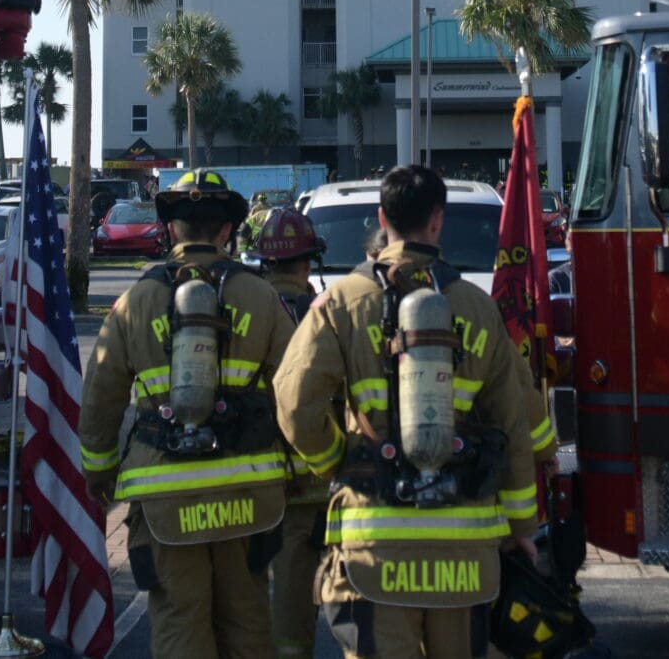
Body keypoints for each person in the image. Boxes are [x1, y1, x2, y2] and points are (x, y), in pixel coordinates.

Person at [272, 165, 538, 659]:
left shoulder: (342, 303)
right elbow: (514, 425)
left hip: (375, 548)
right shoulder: (479, 309)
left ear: (381, 217)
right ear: (438, 221)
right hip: (465, 550)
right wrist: (521, 529)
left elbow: (293, 402)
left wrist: (339, 463)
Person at [79, 169, 295, 659]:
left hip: (165, 502)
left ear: (172, 228)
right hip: (248, 496)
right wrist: (300, 473)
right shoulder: (262, 297)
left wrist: (98, 471)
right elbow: (296, 392)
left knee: (180, 623)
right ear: (226, 230)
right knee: (247, 625)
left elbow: (101, 395)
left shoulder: (135, 301)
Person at [248, 208, 333, 659]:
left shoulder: (252, 312)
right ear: (307, 263)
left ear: (267, 262)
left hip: (270, 482)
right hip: (327, 478)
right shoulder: (325, 314)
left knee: (285, 597)